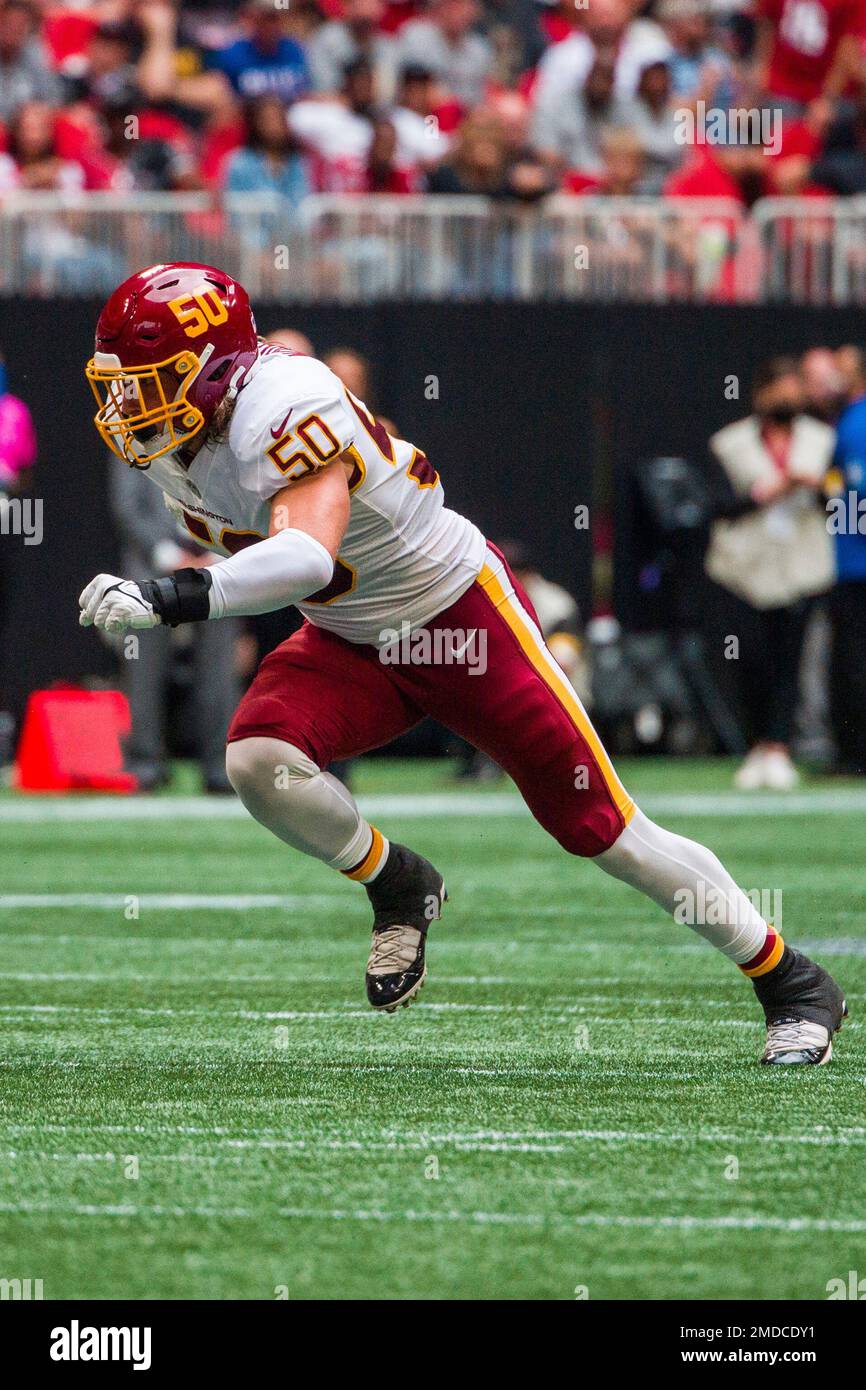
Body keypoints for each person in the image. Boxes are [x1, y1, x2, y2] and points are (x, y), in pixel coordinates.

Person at [79, 262, 847, 1065]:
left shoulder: (284, 402)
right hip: (350, 636)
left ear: (216, 367)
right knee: (259, 762)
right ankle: (397, 882)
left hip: (456, 616)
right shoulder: (174, 448)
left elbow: (306, 555)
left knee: (604, 831)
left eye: (150, 379)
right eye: (121, 382)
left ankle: (792, 982)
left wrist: (171, 596)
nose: (129, 402)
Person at [705, 356, 835, 790]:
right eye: (776, 391)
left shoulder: (820, 441)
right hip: (745, 569)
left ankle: (780, 746)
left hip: (799, 567)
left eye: (792, 390)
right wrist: (765, 492)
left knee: (790, 662)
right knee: (748, 660)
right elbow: (718, 506)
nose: (786, 399)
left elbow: (840, 501)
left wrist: (816, 488)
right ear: (760, 395)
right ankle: (756, 745)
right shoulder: (731, 443)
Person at [827, 345, 866, 773]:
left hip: (857, 567)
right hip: (852, 562)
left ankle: (855, 755)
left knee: (852, 662)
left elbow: (859, 491)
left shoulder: (857, 423)